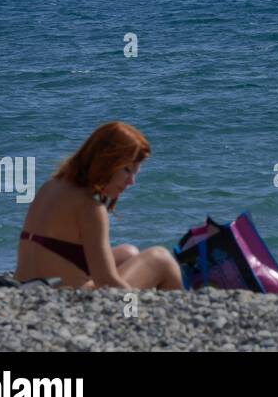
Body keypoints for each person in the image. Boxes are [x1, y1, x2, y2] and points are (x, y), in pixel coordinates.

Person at [16, 121, 183, 290]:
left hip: (26, 291)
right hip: (67, 302)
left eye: (135, 172)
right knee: (161, 258)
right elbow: (106, 282)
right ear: (106, 161)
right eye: (127, 169)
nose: (132, 181)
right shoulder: (90, 206)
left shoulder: (51, 186)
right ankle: (179, 314)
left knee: (128, 252)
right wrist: (133, 307)